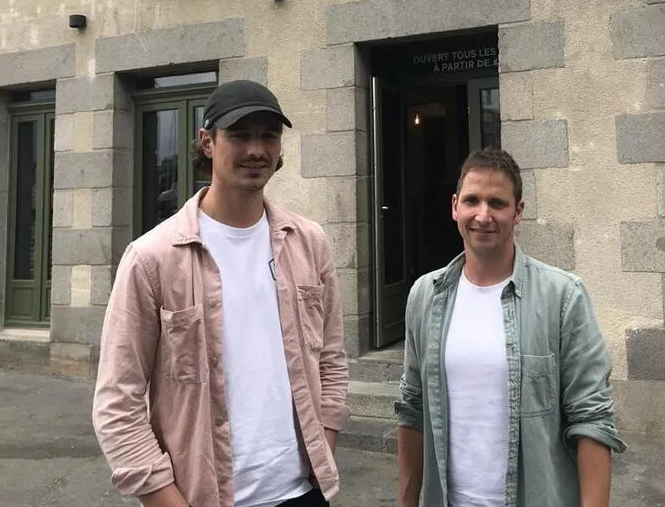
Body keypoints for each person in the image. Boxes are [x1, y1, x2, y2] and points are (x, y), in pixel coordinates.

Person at [93, 80, 348, 507]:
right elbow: (118, 403)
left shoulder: (310, 243)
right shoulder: (152, 259)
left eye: (268, 135)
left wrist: (324, 442)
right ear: (207, 142)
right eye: (239, 134)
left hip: (304, 492)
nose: (256, 149)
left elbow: (332, 360)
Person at [396, 148, 624, 507]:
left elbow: (591, 419)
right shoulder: (426, 295)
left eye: (497, 203)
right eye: (472, 200)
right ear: (455, 206)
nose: (483, 215)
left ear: (518, 212)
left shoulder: (562, 296)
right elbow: (413, 408)